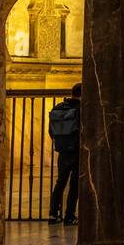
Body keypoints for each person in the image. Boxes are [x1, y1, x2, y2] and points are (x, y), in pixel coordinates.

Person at [48, 83, 81, 225]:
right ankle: (69, 216)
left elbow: (51, 132)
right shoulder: (81, 109)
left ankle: (53, 215)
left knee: (60, 183)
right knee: (75, 184)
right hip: (77, 150)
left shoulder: (58, 108)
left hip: (62, 151)